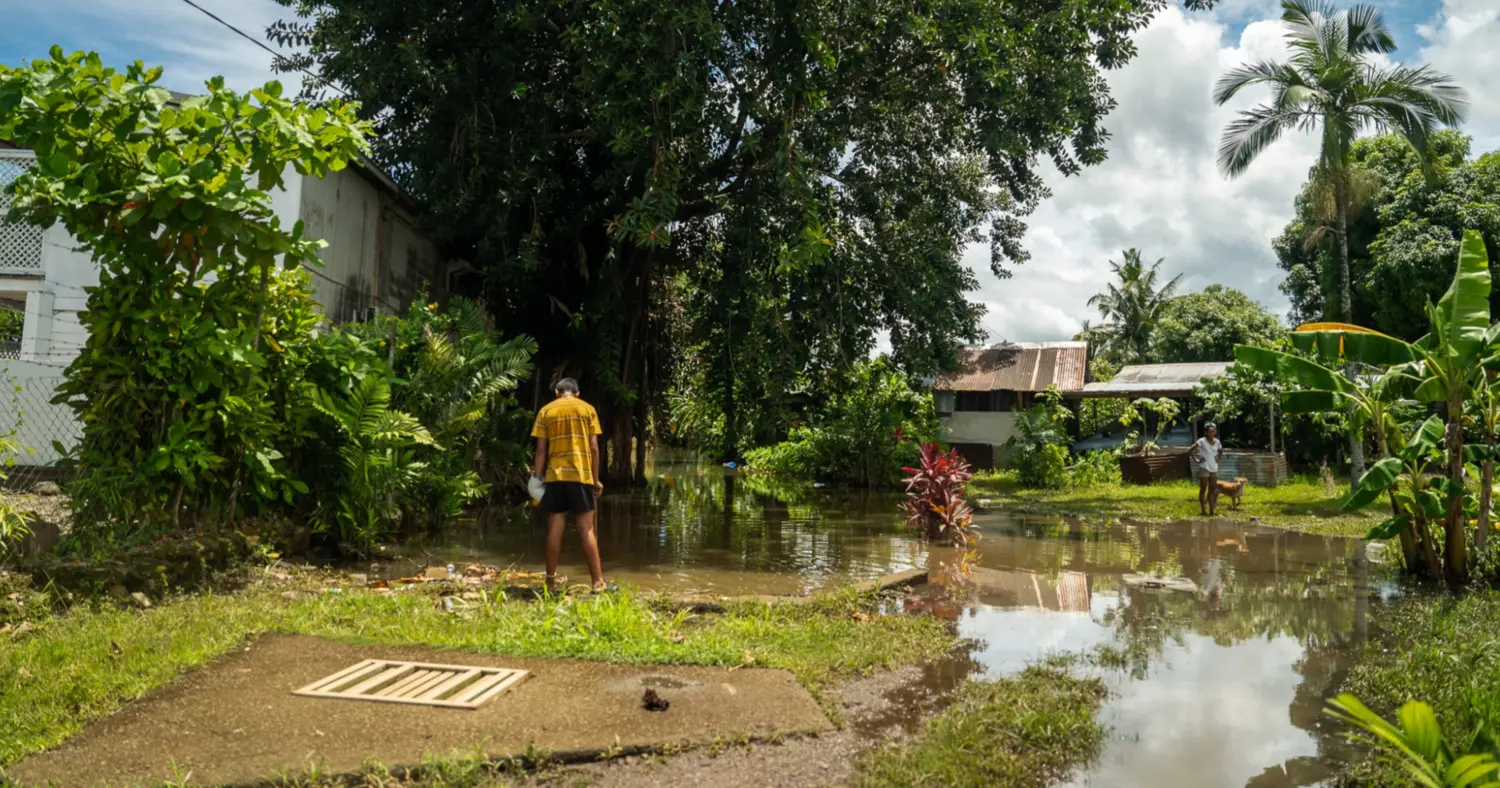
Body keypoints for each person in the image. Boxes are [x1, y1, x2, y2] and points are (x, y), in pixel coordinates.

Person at [530, 377, 609, 593]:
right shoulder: (587, 410)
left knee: (555, 529)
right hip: (581, 476)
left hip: (555, 477)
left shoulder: (546, 411)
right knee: (586, 529)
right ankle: (598, 582)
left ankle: (550, 583)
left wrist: (537, 479)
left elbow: (541, 450)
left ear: (556, 392)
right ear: (577, 393)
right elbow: (594, 448)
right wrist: (595, 479)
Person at [1195, 422, 1225, 516]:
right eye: (1209, 432)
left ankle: (1212, 511)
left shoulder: (1217, 442)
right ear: (1206, 432)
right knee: (1203, 488)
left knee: (1212, 490)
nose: (1211, 433)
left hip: (1214, 468)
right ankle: (1203, 510)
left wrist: (1218, 458)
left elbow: (1221, 451)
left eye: (1213, 431)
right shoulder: (1202, 441)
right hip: (1204, 467)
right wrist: (1197, 460)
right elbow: (1189, 450)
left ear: (1215, 432)